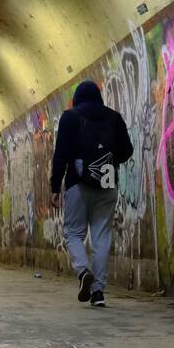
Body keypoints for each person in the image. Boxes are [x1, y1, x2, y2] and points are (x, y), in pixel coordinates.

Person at [50, 79, 133, 307]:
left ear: (77, 98)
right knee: (102, 236)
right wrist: (107, 159)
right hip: (108, 184)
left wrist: (55, 187)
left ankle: (82, 270)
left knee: (73, 233)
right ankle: (98, 292)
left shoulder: (70, 117)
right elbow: (127, 151)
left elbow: (60, 155)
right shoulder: (114, 118)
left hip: (78, 184)